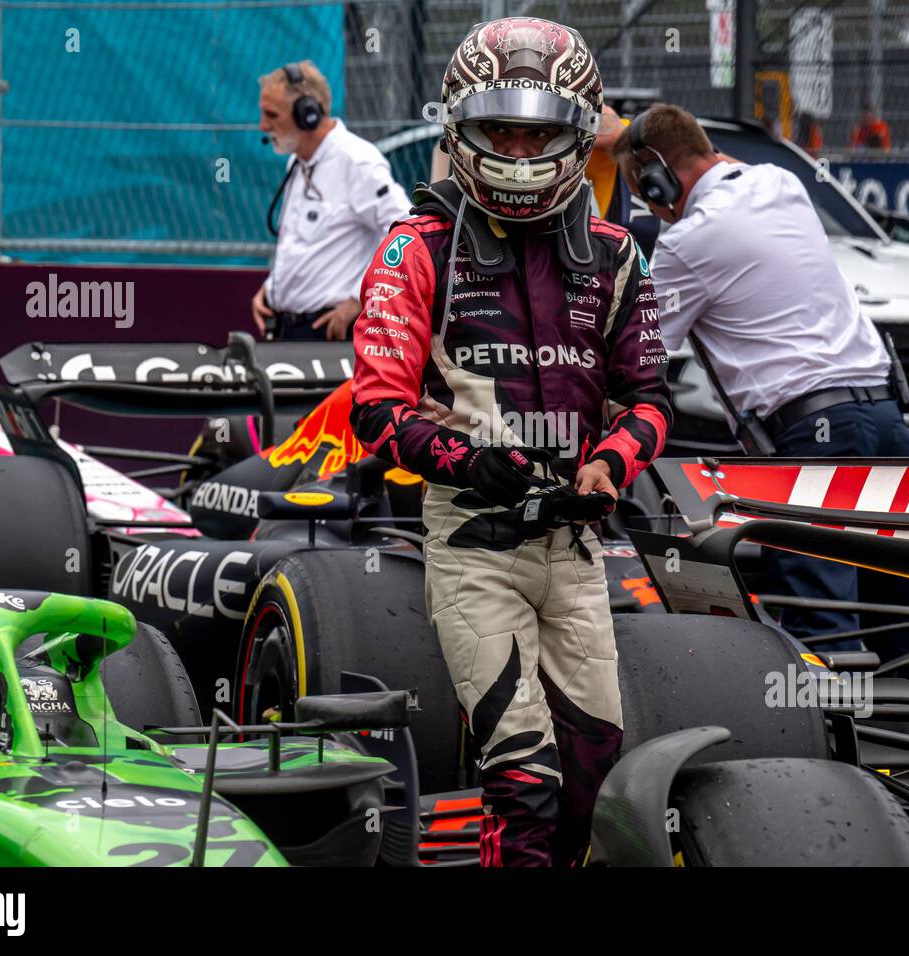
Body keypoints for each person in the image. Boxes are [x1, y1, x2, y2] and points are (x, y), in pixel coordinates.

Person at [349, 17, 672, 867]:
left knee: (593, 780)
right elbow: (375, 409)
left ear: (576, 130)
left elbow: (650, 399)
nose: (522, 151)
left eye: (539, 131)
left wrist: (609, 463)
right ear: (463, 126)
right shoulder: (414, 247)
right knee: (525, 781)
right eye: (503, 129)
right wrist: (469, 459)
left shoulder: (613, 255)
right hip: (471, 542)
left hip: (575, 550)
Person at [610, 102, 909, 667]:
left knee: (821, 634)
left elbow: (636, 352)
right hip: (886, 422)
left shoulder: (689, 244)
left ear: (661, 180)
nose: (652, 209)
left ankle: (828, 750)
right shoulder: (780, 183)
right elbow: (713, 162)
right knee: (902, 619)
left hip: (816, 436)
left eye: (647, 193)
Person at [253, 60, 411, 341]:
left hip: (327, 334)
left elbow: (406, 234)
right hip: (287, 329)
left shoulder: (357, 162)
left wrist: (360, 299)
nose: (263, 125)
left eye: (272, 115)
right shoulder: (299, 162)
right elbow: (301, 244)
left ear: (308, 115)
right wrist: (272, 289)